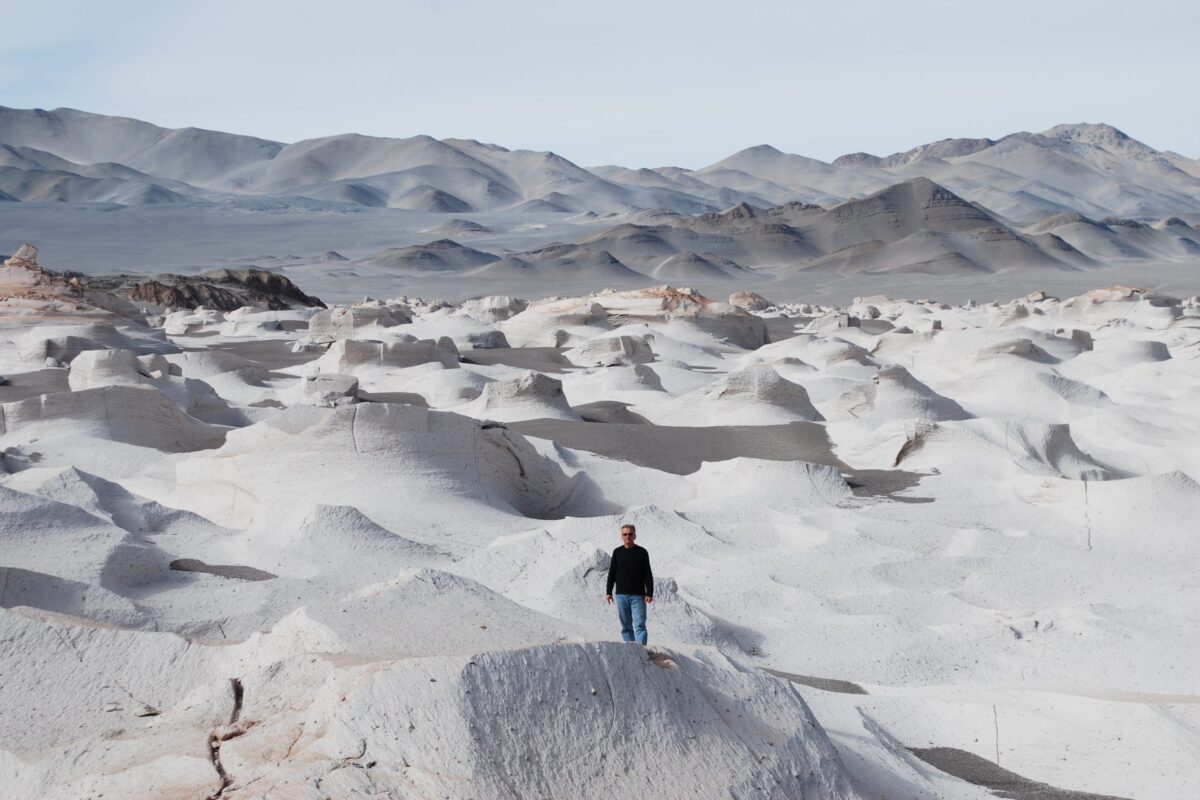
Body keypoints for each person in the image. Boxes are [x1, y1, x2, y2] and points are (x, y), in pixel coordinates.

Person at [605, 524, 653, 644]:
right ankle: (631, 651)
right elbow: (612, 573)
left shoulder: (642, 552)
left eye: (630, 534)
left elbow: (648, 573)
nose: (628, 536)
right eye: (625, 534)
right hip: (621, 595)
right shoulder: (617, 552)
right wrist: (608, 592)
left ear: (635, 536)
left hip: (638, 596)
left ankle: (641, 652)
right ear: (621, 536)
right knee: (626, 627)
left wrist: (649, 592)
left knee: (639, 625)